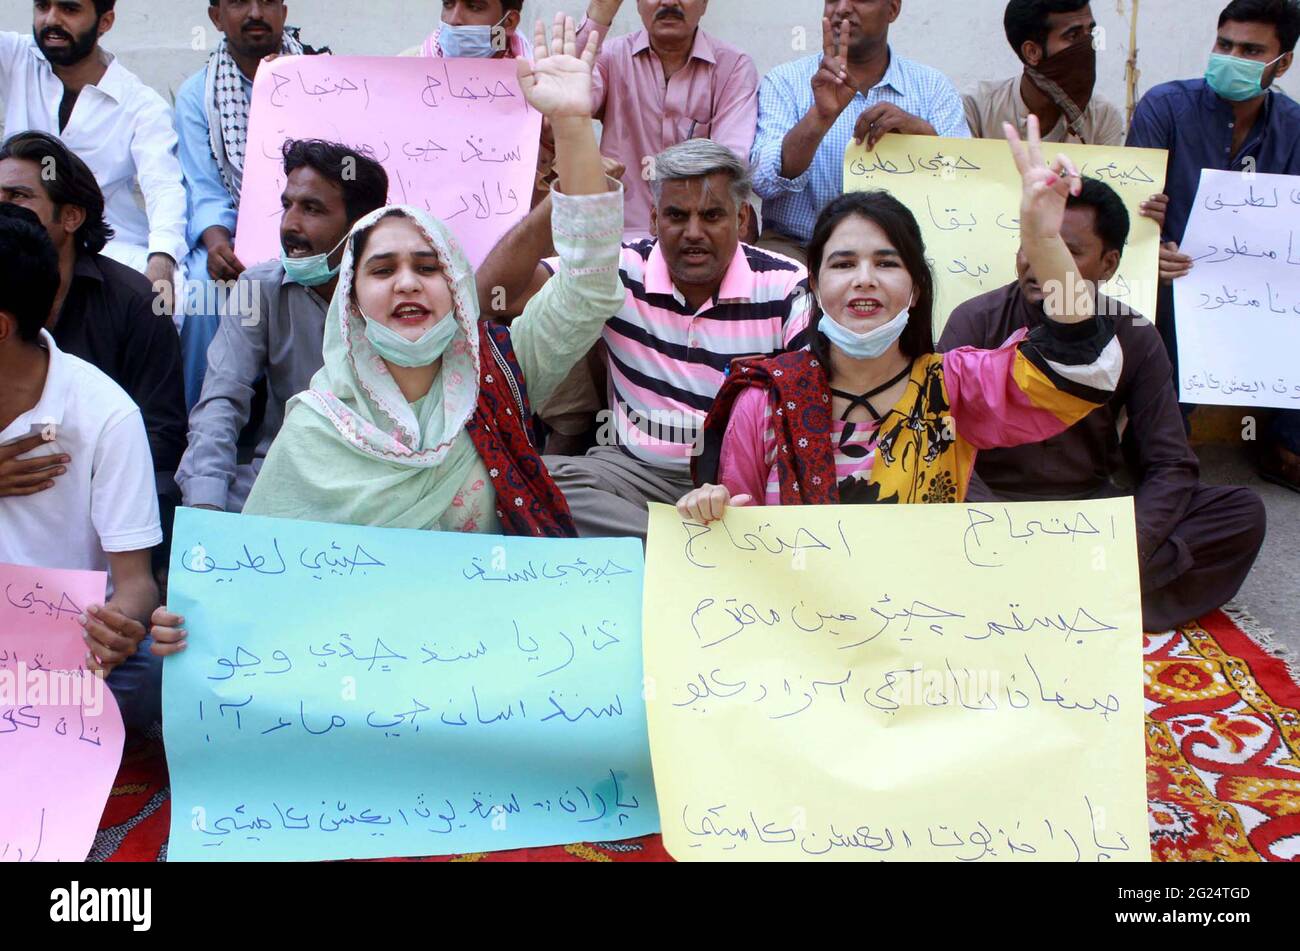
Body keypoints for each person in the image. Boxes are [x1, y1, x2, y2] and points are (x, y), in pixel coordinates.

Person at [680, 117, 1122, 520]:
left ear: (916, 291)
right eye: (843, 264)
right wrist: (709, 509)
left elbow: (1081, 369)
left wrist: (1044, 241)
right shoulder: (763, 402)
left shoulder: (955, 390)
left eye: (887, 264)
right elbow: (736, 547)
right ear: (813, 285)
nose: (864, 280)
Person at [938, 178, 1266, 631]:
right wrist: (998, 537)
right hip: (991, 511)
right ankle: (1091, 599)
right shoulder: (974, 320)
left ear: (1108, 264)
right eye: (1032, 243)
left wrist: (1124, 546)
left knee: (1240, 515)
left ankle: (1049, 591)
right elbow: (938, 445)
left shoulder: (1134, 335)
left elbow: (1171, 464)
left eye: (1067, 251)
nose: (1040, 263)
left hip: (1089, 516)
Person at [478, 138, 811, 538]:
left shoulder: (786, 285)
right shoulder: (619, 269)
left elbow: (806, 410)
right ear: (654, 220)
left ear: (741, 219)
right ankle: (695, 551)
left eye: (711, 215)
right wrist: (565, 198)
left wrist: (744, 493)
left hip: (740, 481)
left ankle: (671, 551)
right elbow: (495, 294)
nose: (693, 232)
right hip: (633, 477)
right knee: (530, 484)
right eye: (676, 215)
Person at [0, 210, 163, 731]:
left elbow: (136, 585)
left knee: (157, 669)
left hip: (56, 652)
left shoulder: (105, 414)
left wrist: (118, 627)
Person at [1127, 0, 1300, 488]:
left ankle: (1285, 441)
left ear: (1281, 63)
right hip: (1173, 285)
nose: (1231, 57)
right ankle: (1155, 442)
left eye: (1250, 50)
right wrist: (1147, 250)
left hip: (1259, 287)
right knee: (1162, 455)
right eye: (1224, 44)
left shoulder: (1294, 127)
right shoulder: (1165, 106)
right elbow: (1127, 205)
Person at [175, 140, 389, 514]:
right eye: (287, 205)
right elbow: (222, 399)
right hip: (282, 478)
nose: (290, 224)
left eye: (312, 209)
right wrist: (205, 504)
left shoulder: (399, 297)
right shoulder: (260, 288)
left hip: (380, 486)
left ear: (360, 227)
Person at [0, 132, 186, 491]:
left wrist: (66, 481)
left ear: (70, 216)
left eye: (18, 196)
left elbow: (162, 433)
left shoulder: (135, 301)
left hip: (99, 486)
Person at [173, 0, 327, 407]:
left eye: (267, 1)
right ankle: (203, 425)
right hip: (233, 237)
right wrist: (217, 243)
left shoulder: (322, 78)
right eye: (240, 1)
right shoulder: (198, 95)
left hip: (317, 232)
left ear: (284, 9)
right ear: (216, 16)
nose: (255, 12)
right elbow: (204, 188)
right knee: (205, 295)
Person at [750, 0, 970, 262]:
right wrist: (818, 118)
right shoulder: (786, 81)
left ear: (893, 9)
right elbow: (761, 182)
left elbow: (964, 186)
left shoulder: (933, 88)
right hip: (800, 246)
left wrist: (922, 136)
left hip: (902, 254)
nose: (842, 8)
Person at [0, 0, 187, 305]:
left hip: (105, 245)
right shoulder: (17, 58)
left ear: (105, 21)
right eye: (42, 6)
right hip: (13, 234)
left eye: (69, 9)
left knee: (168, 290)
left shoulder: (142, 106)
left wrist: (163, 257)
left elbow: (163, 187)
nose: (51, 19)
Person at [574, 0, 758, 241]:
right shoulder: (610, 57)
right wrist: (600, 12)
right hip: (616, 239)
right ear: (638, 3)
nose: (669, 2)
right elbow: (563, 104)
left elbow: (730, 165)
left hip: (698, 240)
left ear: (704, 4)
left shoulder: (733, 67)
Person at [965, 1, 1124, 145]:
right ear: (1032, 52)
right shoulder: (977, 109)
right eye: (1073, 35)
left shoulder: (1103, 118)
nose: (1087, 44)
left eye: (1090, 32)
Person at [401, 0, 531, 58]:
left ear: (509, 22)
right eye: (448, 4)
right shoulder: (407, 65)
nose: (453, 20)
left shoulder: (540, 83)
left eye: (474, 6)